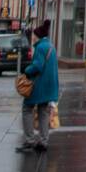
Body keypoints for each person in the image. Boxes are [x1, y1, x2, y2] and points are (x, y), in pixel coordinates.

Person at [17, 20, 59, 154]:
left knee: (27, 109)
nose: (32, 37)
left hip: (38, 85)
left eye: (33, 35)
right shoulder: (51, 46)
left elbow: (37, 66)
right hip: (49, 86)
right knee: (43, 112)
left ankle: (29, 140)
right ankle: (43, 141)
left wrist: (26, 70)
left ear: (37, 36)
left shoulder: (40, 47)